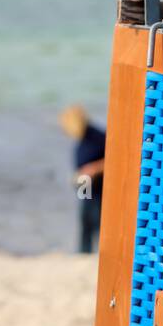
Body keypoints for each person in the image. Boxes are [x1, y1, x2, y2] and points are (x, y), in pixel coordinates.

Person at [59, 105, 106, 253]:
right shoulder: (82, 138)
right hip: (85, 186)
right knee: (85, 220)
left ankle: (102, 251)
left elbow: (112, 158)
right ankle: (84, 252)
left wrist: (94, 169)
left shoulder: (97, 136)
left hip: (97, 186)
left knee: (97, 219)